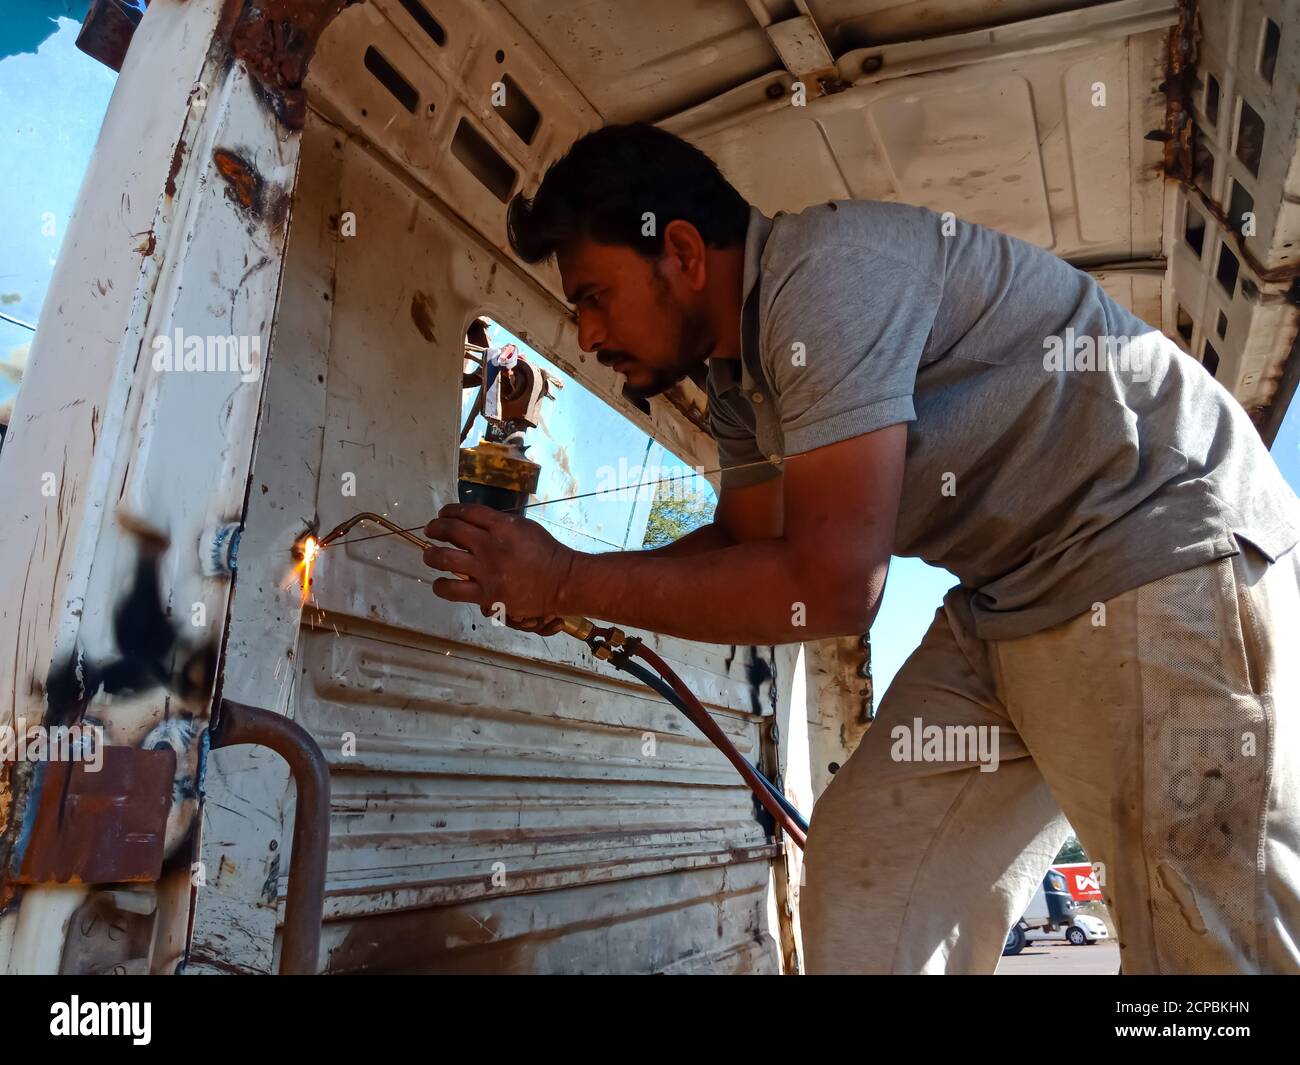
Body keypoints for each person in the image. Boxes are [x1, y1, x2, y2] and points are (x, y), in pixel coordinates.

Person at [420, 123, 1300, 974]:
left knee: (1208, 941)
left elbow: (832, 586)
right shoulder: (738, 382)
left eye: (592, 296)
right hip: (1007, 595)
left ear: (683, 253)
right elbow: (745, 544)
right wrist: (563, 588)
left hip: (1159, 548)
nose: (586, 334)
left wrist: (567, 575)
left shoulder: (825, 277)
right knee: (868, 872)